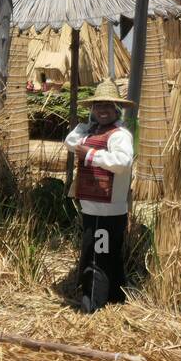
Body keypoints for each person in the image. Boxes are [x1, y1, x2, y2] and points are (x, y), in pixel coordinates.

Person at [64, 79, 135, 311]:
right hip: (91, 210)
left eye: (107, 106)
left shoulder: (120, 135)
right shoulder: (90, 132)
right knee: (105, 254)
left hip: (108, 212)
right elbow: (71, 141)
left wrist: (90, 154)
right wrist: (87, 128)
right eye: (98, 106)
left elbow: (123, 162)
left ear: (117, 109)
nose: (102, 110)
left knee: (98, 256)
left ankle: (92, 303)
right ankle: (116, 297)